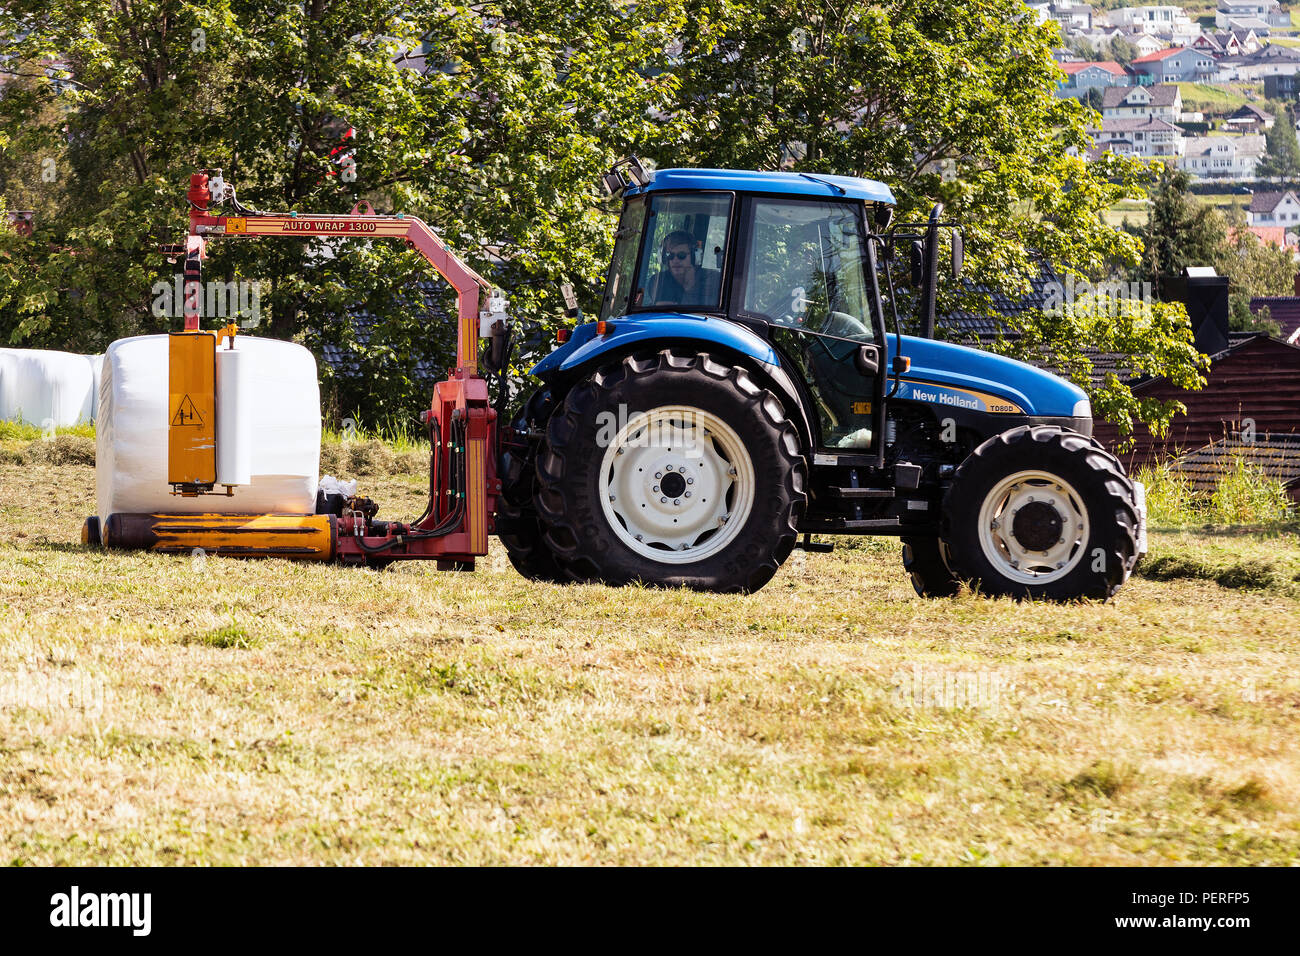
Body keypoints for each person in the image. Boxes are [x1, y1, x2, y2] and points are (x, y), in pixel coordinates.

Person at [646, 230, 722, 308]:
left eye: (681, 255)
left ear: (694, 257)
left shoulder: (712, 279)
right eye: (670, 255)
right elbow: (666, 313)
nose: (675, 260)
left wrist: (690, 288)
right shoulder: (659, 281)